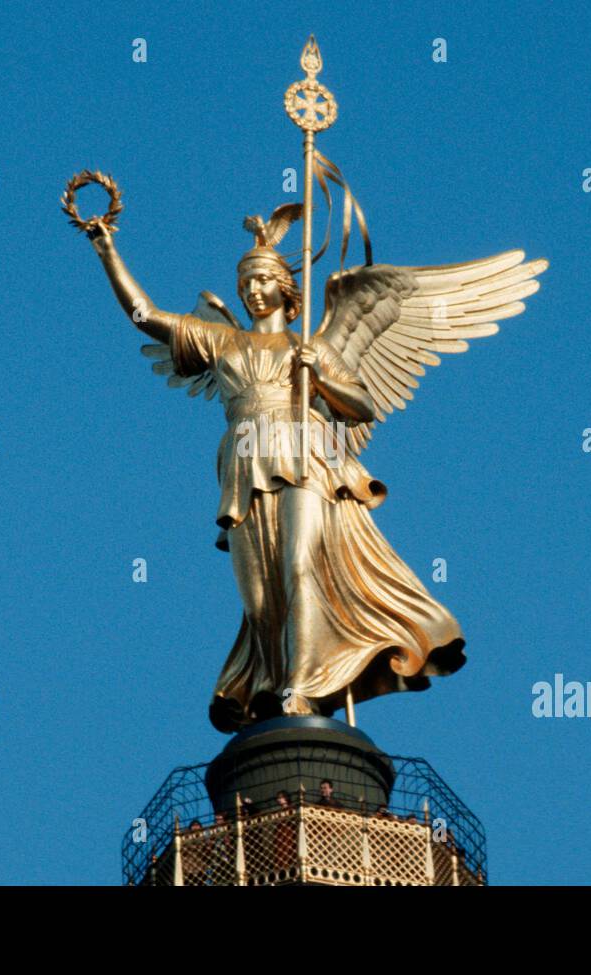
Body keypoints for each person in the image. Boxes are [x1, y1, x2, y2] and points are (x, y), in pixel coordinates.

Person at [86, 208, 466, 732]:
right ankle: (272, 681)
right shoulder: (222, 342)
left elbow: (359, 405)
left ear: (286, 289)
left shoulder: (310, 347)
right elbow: (146, 315)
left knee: (300, 564)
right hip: (245, 460)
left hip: (303, 453)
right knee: (261, 596)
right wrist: (106, 250)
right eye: (246, 282)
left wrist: (318, 378)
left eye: (263, 278)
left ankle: (303, 686)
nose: (253, 289)